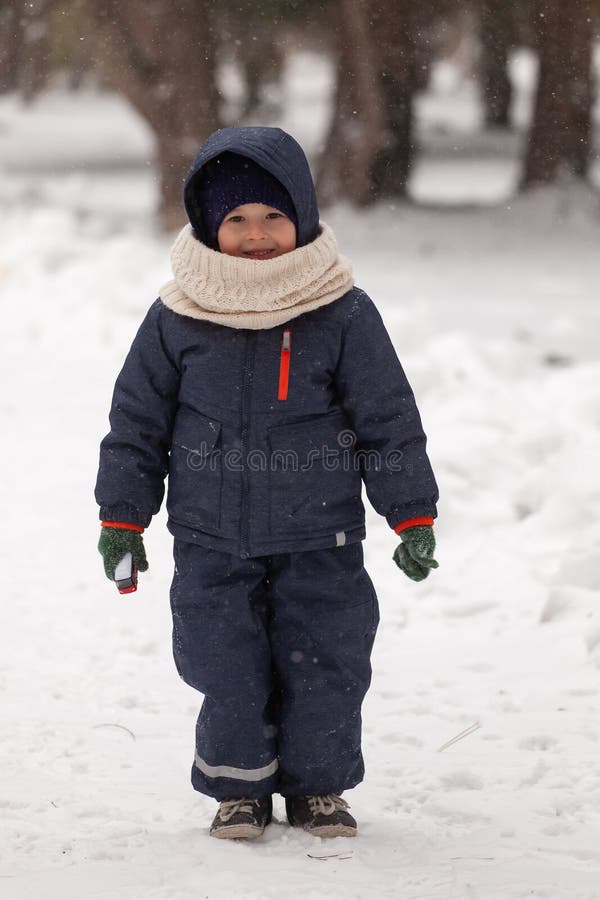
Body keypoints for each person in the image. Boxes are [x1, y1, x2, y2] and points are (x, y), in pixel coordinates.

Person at [95, 126, 439, 841]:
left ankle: (318, 789)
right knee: (225, 666)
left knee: (329, 664)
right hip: (211, 537)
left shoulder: (341, 310)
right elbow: (136, 422)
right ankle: (239, 789)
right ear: (208, 227)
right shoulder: (177, 316)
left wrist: (411, 511)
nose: (257, 237)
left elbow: (387, 417)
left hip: (322, 536)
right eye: (237, 221)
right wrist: (122, 517)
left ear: (305, 217)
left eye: (274, 218)